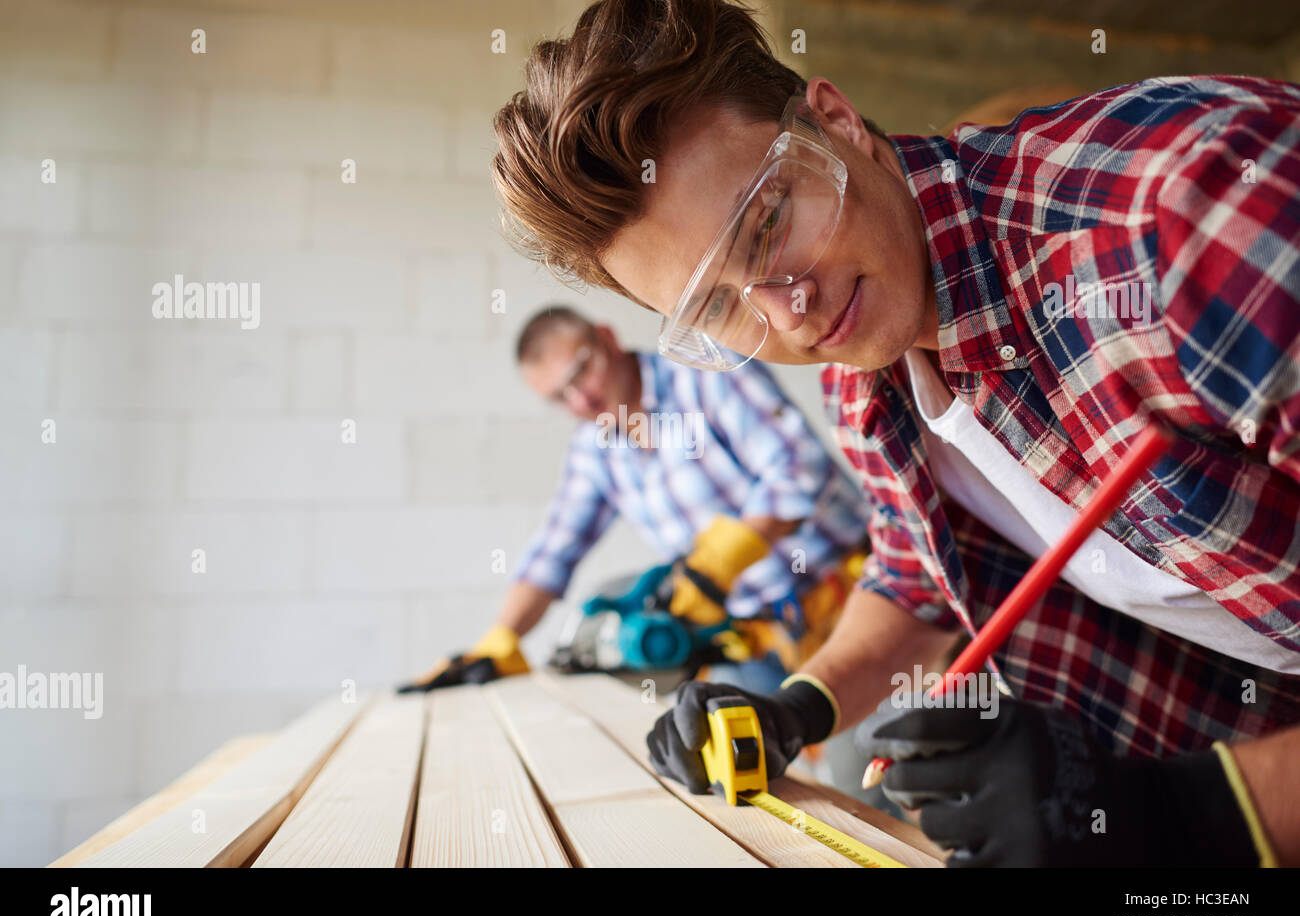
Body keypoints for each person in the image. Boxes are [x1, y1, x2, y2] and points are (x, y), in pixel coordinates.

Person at [490, 0, 1300, 865]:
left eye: (767, 222)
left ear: (835, 121)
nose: (787, 308)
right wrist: (799, 706)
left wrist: (1190, 814)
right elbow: (914, 578)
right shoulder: (863, 370)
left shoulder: (1185, 222)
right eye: (718, 305)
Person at [399, 305, 873, 699]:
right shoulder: (594, 447)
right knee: (748, 778)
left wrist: (721, 558)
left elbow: (799, 466)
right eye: (560, 396)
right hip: (750, 637)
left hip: (851, 599)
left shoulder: (705, 371)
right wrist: (499, 640)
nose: (581, 399)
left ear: (608, 337)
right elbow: (554, 550)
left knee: (868, 780)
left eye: (580, 371)